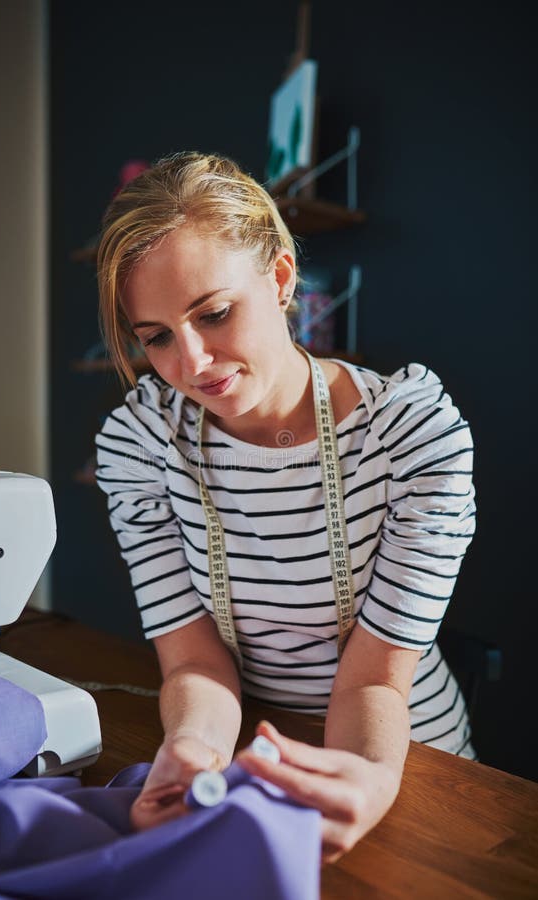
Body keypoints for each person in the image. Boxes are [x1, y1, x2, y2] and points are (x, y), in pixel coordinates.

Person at [94, 151, 476, 861]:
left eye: (213, 313)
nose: (192, 363)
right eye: (155, 337)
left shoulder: (411, 435)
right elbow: (194, 664)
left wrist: (365, 777)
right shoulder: (142, 440)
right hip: (245, 752)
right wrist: (191, 749)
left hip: (406, 761)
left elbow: (374, 679)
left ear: (277, 278)